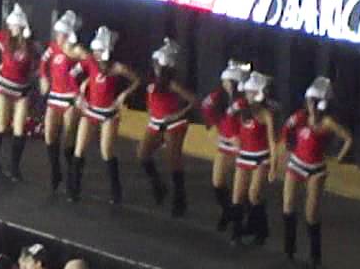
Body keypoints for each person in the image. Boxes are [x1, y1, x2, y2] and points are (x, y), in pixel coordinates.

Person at [279, 76, 353, 266]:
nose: (311, 105)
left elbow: (347, 138)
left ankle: (315, 254)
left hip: (316, 169)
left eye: (315, 102)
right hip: (296, 164)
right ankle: (289, 250)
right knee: (288, 204)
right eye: (309, 101)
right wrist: (287, 149)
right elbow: (286, 130)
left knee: (311, 214)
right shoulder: (300, 117)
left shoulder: (327, 122)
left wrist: (339, 157)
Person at [69, 26, 140, 203]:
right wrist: (78, 94)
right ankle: (73, 190)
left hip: (109, 114)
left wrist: (123, 95)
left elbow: (137, 80)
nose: (95, 54)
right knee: (79, 149)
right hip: (90, 111)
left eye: (99, 51)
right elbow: (71, 74)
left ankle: (116, 192)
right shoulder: (90, 62)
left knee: (106, 152)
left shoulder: (117, 68)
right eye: (94, 51)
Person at [139, 38, 195, 216]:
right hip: (156, 122)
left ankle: (180, 200)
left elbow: (193, 100)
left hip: (173, 124)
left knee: (173, 160)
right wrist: (152, 113)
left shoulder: (171, 84)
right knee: (143, 154)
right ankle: (158, 185)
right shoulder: (152, 81)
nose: (155, 65)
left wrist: (178, 115)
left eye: (158, 63)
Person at [0, 5, 39, 180]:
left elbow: (37, 65)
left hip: (22, 90)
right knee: (1, 125)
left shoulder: (31, 45)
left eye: (14, 25)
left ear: (22, 26)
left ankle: (14, 167)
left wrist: (36, 76)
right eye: (10, 25)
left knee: (19, 129)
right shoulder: (3, 37)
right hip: (3, 87)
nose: (11, 28)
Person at [202, 59, 252, 231]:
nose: (224, 84)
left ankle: (243, 219)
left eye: (228, 81)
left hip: (241, 147)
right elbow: (206, 107)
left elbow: (247, 122)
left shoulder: (244, 102)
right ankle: (227, 211)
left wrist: (238, 138)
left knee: (242, 188)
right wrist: (214, 126)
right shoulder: (219, 96)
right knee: (217, 182)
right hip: (225, 143)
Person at [230, 72, 277, 246]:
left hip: (260, 158)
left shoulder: (266, 114)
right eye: (247, 92)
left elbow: (272, 141)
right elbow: (232, 124)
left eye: (251, 92)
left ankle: (261, 230)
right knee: (237, 196)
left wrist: (273, 165)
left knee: (254, 195)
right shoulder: (243, 109)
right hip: (243, 156)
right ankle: (236, 234)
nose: (247, 95)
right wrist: (234, 138)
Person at [40, 10, 84, 192]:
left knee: (68, 137)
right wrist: (44, 78)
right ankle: (55, 171)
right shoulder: (52, 47)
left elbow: (89, 63)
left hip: (70, 98)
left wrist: (79, 80)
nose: (57, 36)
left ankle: (72, 176)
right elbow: (43, 63)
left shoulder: (74, 50)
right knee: (49, 135)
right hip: (54, 96)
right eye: (56, 33)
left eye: (61, 34)